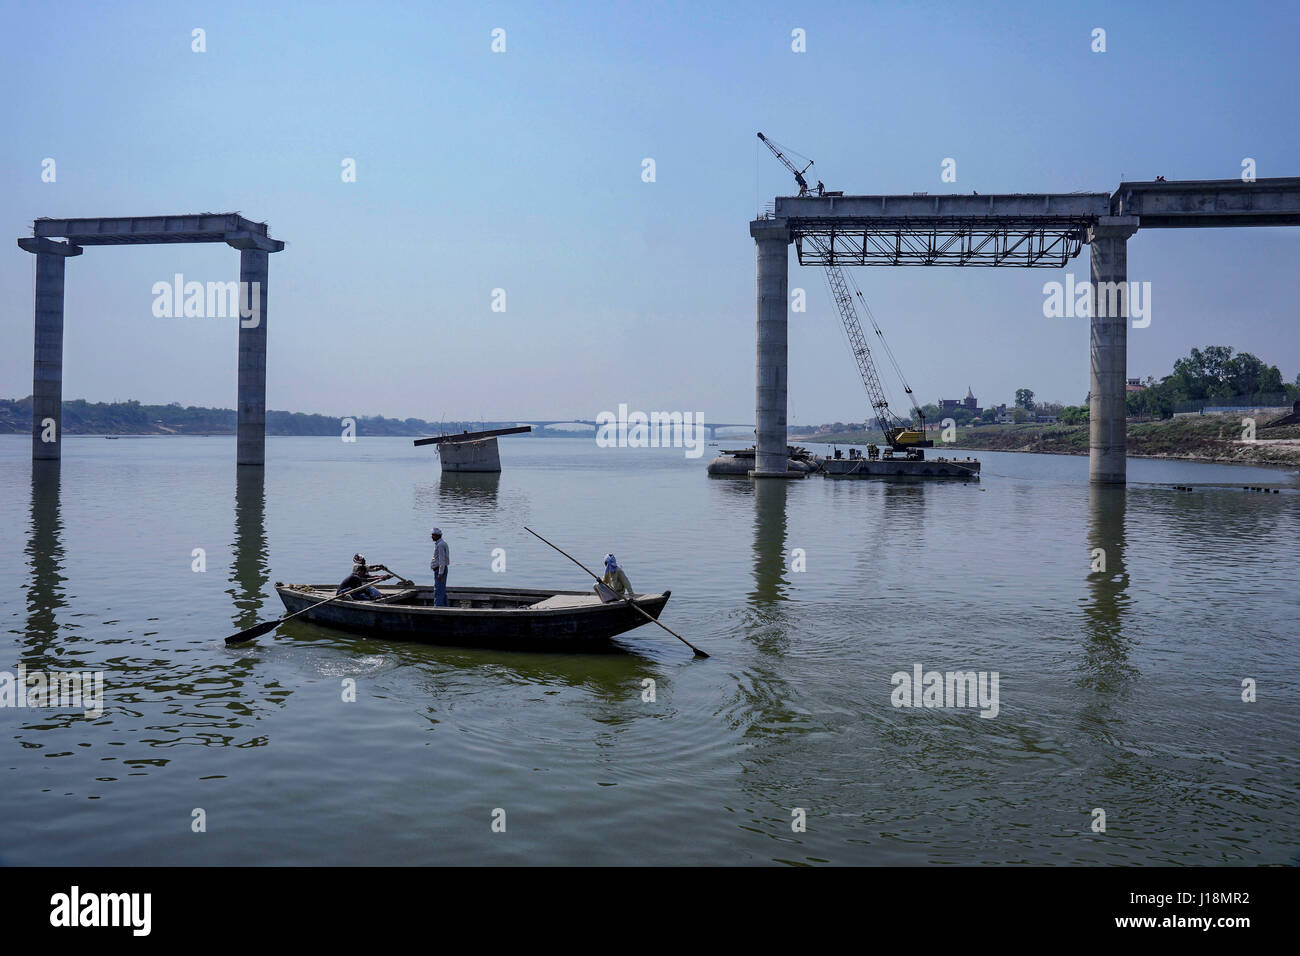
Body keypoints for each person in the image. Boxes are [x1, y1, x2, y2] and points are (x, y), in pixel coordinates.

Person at [429, 528, 450, 607]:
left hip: (439, 570)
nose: (432, 537)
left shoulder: (440, 544)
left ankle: (438, 607)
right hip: (440, 569)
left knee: (438, 590)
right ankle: (444, 606)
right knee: (442, 589)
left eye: (433, 535)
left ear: (438, 536)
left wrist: (440, 573)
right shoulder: (441, 543)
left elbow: (442, 560)